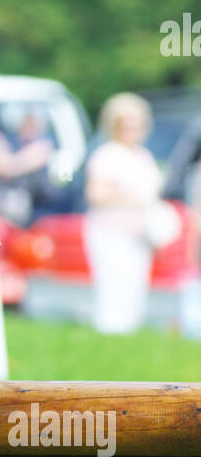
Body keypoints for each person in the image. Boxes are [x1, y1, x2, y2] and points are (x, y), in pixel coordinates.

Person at [83, 93, 162, 334]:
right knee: (114, 291)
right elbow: (95, 194)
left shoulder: (144, 156)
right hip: (111, 233)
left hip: (140, 235)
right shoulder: (106, 155)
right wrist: (129, 197)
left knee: (134, 291)